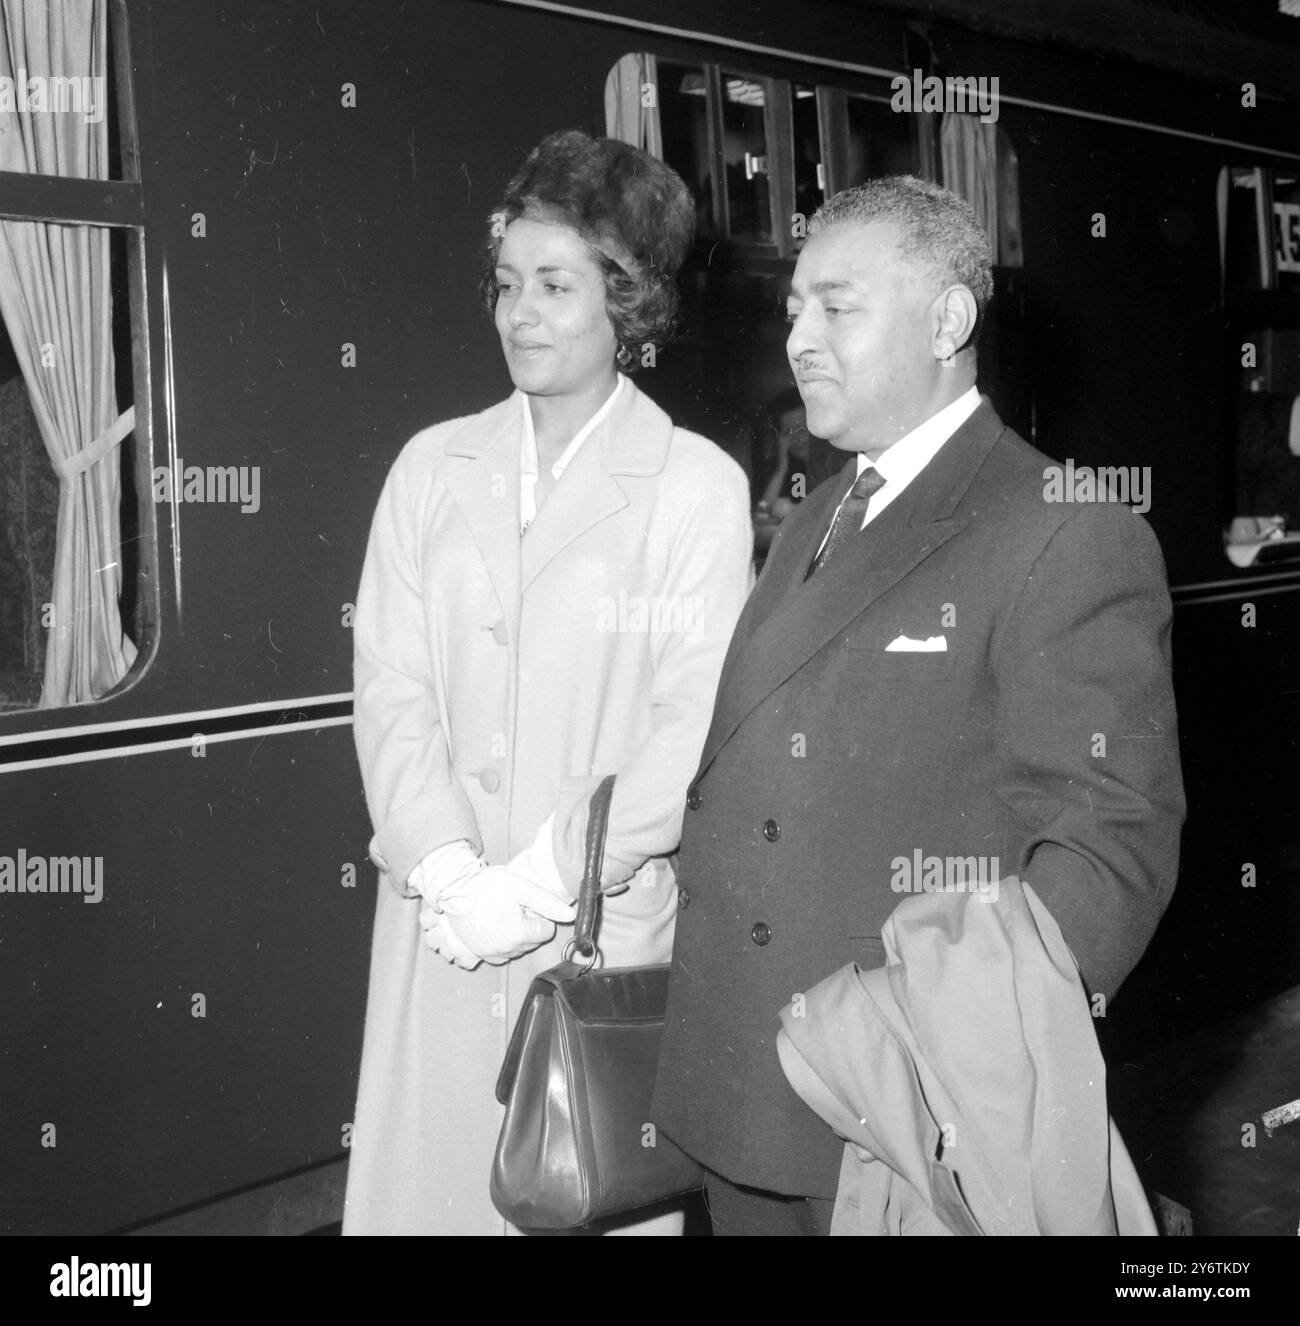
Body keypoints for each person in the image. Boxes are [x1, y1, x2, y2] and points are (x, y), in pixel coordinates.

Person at [651, 175, 1185, 1235]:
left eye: (836, 305)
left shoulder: (1061, 528)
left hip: (890, 1118)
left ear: (947, 320)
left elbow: (1108, 846)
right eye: (794, 305)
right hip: (744, 1090)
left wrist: (933, 1053)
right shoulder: (814, 517)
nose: (799, 334)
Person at [344, 130, 753, 1235]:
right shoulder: (432, 467)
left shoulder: (692, 487)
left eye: (556, 285)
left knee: (579, 1200)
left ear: (627, 302)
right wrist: (444, 867)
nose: (520, 312)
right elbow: (388, 683)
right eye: (508, 284)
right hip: (442, 926)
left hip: (587, 930)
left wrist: (531, 886)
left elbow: (692, 726)